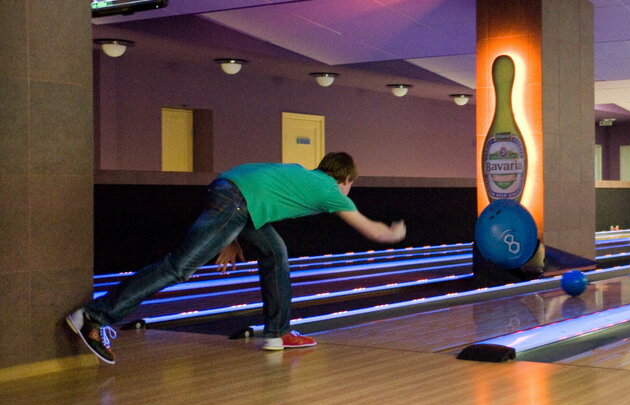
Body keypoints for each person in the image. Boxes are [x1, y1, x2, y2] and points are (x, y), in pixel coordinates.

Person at [66, 152, 405, 364]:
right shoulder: (331, 190)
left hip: (232, 193)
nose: (348, 191)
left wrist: (231, 236)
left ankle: (278, 333)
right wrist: (392, 233)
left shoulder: (305, 176)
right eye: (350, 185)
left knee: (275, 252)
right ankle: (94, 315)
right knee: (179, 267)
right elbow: (373, 231)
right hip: (236, 202)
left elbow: (261, 192)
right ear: (346, 180)